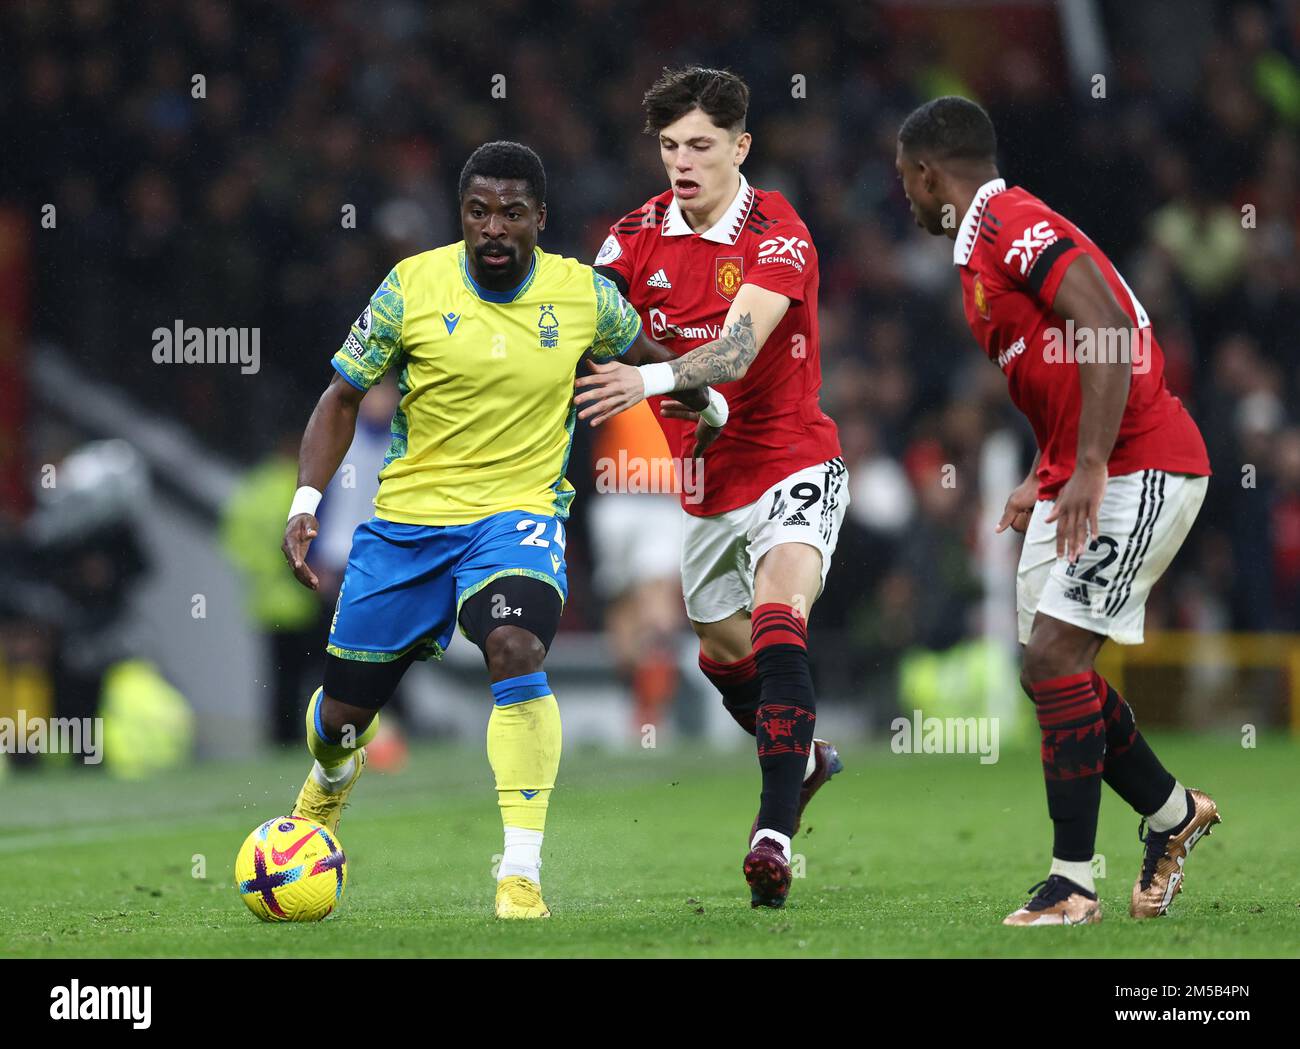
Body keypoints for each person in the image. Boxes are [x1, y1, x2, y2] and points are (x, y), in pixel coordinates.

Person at [280, 141, 724, 920]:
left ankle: (519, 873)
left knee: (516, 649)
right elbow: (342, 396)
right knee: (342, 717)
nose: (494, 227)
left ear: (539, 219)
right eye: (479, 211)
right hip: (408, 526)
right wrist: (305, 500)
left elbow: (652, 360)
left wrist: (705, 406)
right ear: (462, 215)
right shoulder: (410, 287)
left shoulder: (584, 296)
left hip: (517, 518)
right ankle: (328, 783)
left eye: (512, 212)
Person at [895, 96, 1218, 925]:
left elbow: (1106, 326)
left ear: (931, 173)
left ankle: (1073, 882)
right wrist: (1048, 466)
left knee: (1055, 656)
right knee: (1048, 667)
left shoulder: (1010, 221)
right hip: (1082, 466)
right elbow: (1059, 364)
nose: (905, 198)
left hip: (1141, 460)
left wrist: (1094, 462)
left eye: (906, 181)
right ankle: (1175, 814)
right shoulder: (980, 250)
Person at [574, 67, 848, 908]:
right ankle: (803, 759)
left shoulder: (779, 233)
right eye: (668, 147)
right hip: (708, 484)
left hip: (794, 458)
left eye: (700, 145)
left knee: (777, 620)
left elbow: (731, 353)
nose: (683, 163)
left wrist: (649, 384)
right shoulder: (630, 240)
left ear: (741, 146)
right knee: (724, 652)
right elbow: (586, 330)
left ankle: (771, 834)